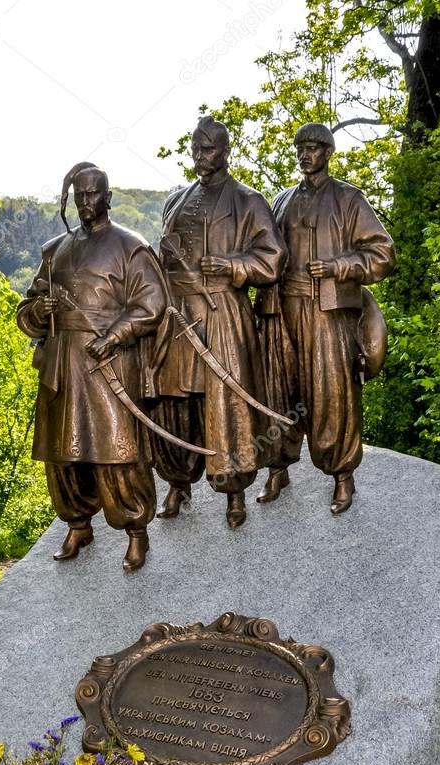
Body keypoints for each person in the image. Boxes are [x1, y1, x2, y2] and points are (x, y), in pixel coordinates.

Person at [16, 162, 167, 571]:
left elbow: (152, 305)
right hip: (62, 366)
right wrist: (38, 310)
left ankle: (136, 530)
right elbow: (26, 309)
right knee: (62, 456)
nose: (87, 202)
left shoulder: (130, 246)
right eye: (79, 195)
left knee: (115, 452)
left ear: (108, 197)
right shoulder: (55, 250)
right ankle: (78, 523)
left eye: (93, 194)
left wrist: (114, 336)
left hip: (109, 365)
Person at [147, 115, 287, 529]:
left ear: (226, 151)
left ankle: (234, 490)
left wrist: (230, 265)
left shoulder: (248, 200)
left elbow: (273, 259)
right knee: (176, 402)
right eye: (194, 148)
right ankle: (178, 478)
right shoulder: (176, 200)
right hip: (178, 313)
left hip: (223, 311)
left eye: (207, 149)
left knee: (227, 404)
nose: (199, 156)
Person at [257, 123, 395, 514]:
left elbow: (383, 254)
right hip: (280, 309)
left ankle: (342, 475)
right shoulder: (281, 201)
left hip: (327, 312)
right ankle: (277, 466)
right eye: (300, 147)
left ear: (328, 152)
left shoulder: (349, 199)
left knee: (332, 393)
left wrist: (340, 265)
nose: (305, 154)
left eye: (314, 147)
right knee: (278, 393)